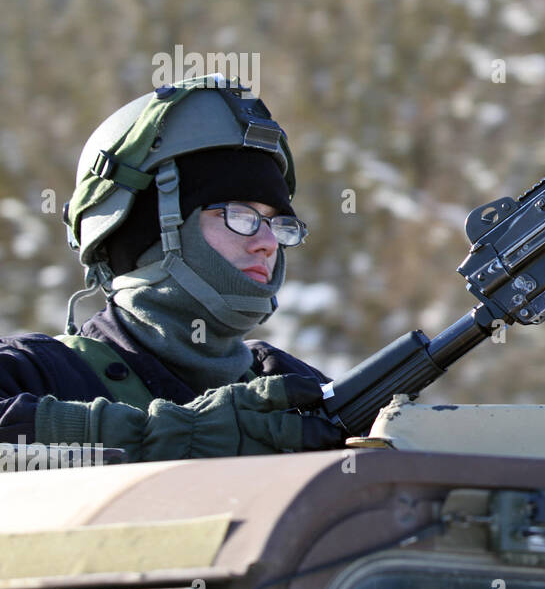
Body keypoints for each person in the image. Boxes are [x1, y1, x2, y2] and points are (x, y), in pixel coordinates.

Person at [0, 75, 345, 461]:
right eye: (239, 215)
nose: (267, 243)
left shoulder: (287, 385)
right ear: (148, 231)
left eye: (276, 223)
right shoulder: (39, 373)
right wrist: (165, 437)